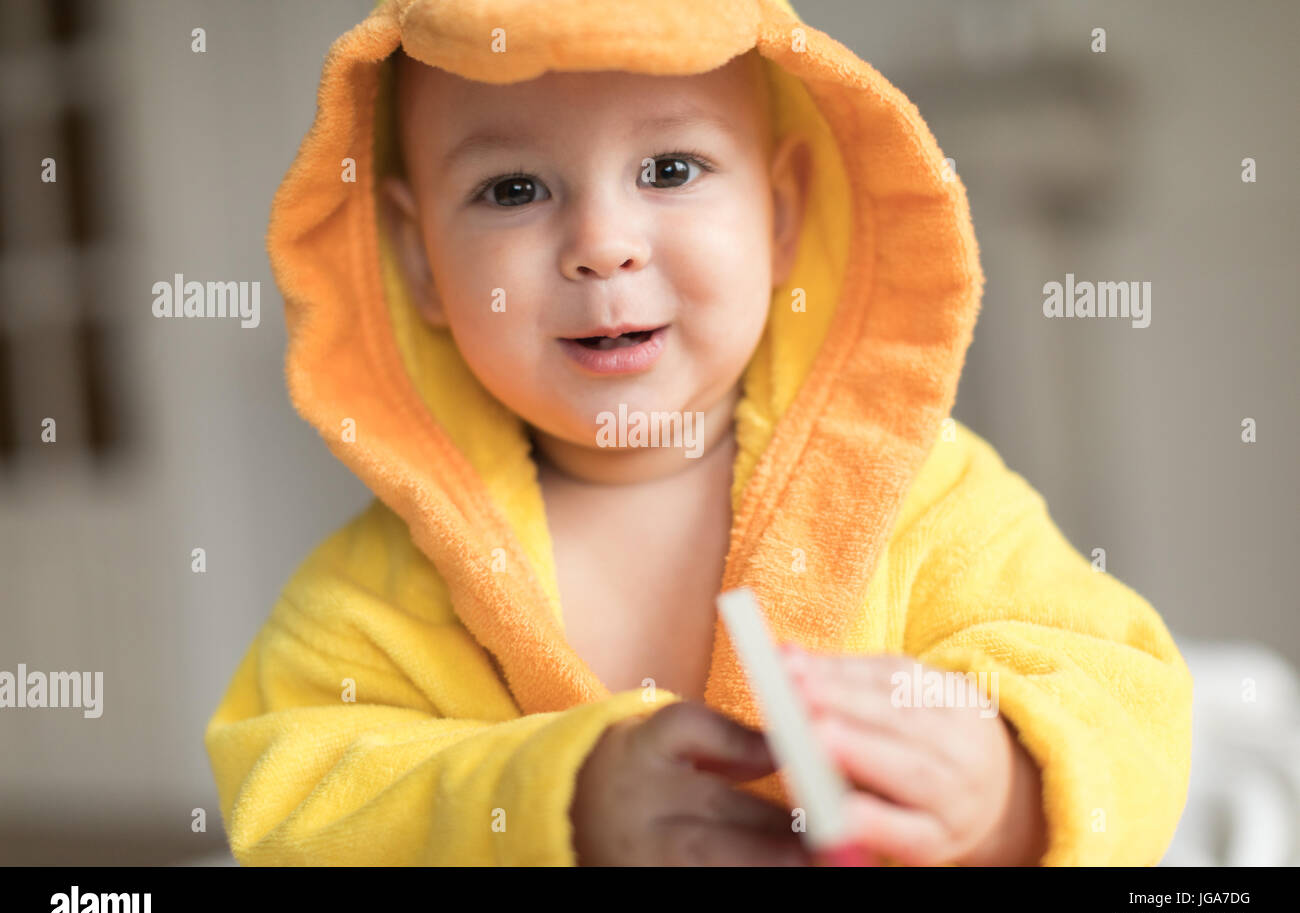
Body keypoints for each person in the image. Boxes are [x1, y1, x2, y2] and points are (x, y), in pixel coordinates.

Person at [204, 0, 1193, 866]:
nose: (602, 244)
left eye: (669, 167)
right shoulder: (380, 591)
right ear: (420, 260)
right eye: (513, 188)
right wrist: (555, 802)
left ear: (779, 214)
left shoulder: (916, 493)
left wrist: (1004, 786)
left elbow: (1122, 685)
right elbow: (296, 796)